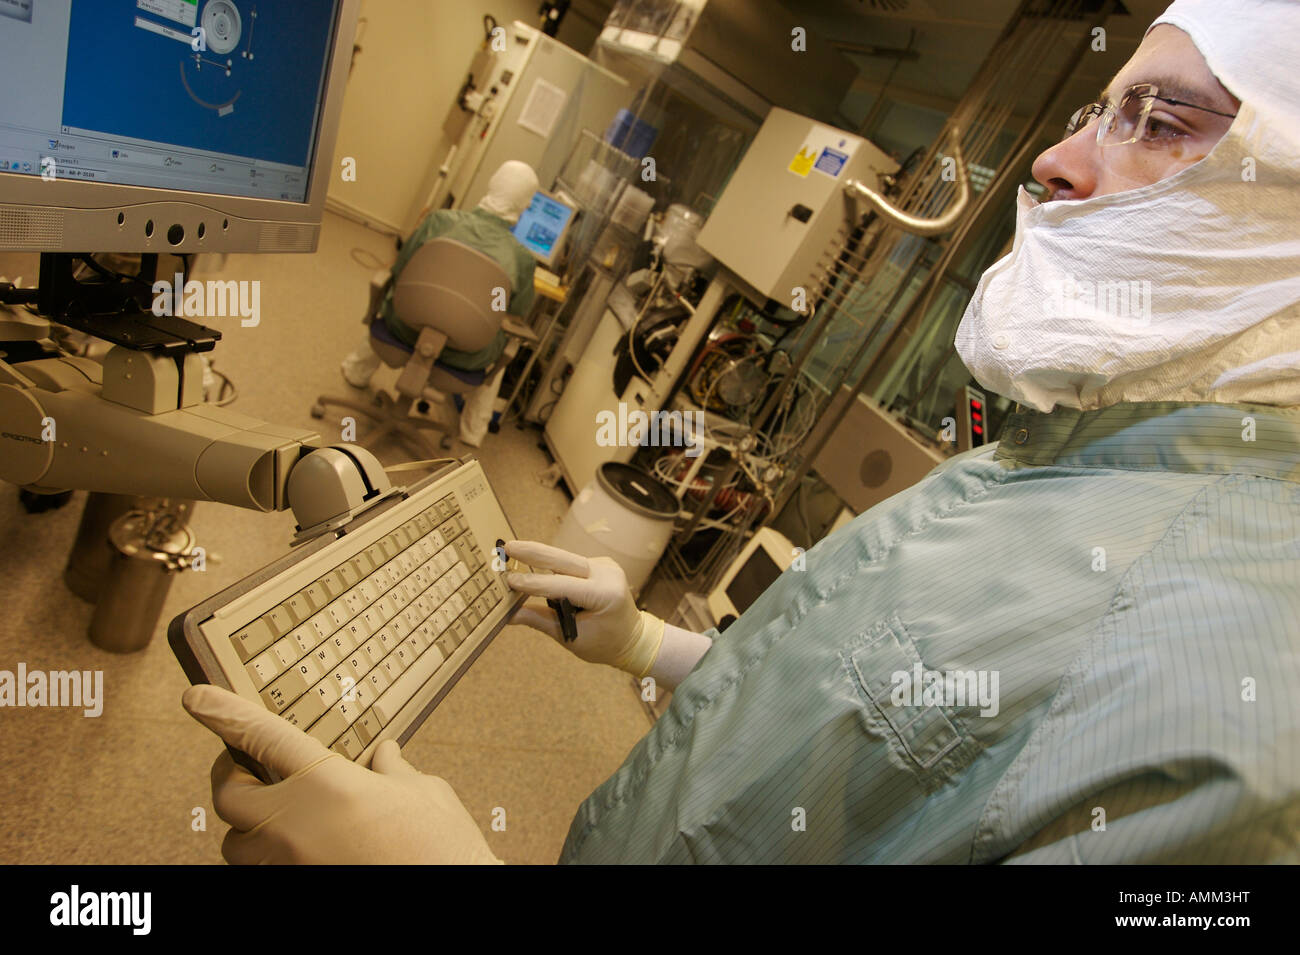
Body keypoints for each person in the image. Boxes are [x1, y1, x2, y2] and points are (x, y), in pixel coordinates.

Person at [182, 0, 1299, 864]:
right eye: (1094, 111)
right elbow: (881, 720)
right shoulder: (1071, 460)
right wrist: (642, 645)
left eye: (1158, 121)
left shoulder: (1240, 706)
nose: (1057, 163)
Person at [341, 159, 539, 446]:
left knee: (397, 295)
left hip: (401, 331)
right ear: (524, 205)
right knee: (506, 337)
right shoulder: (522, 260)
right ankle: (473, 431)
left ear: (492, 185)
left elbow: (398, 273)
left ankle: (357, 372)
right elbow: (515, 316)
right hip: (464, 357)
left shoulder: (438, 222)